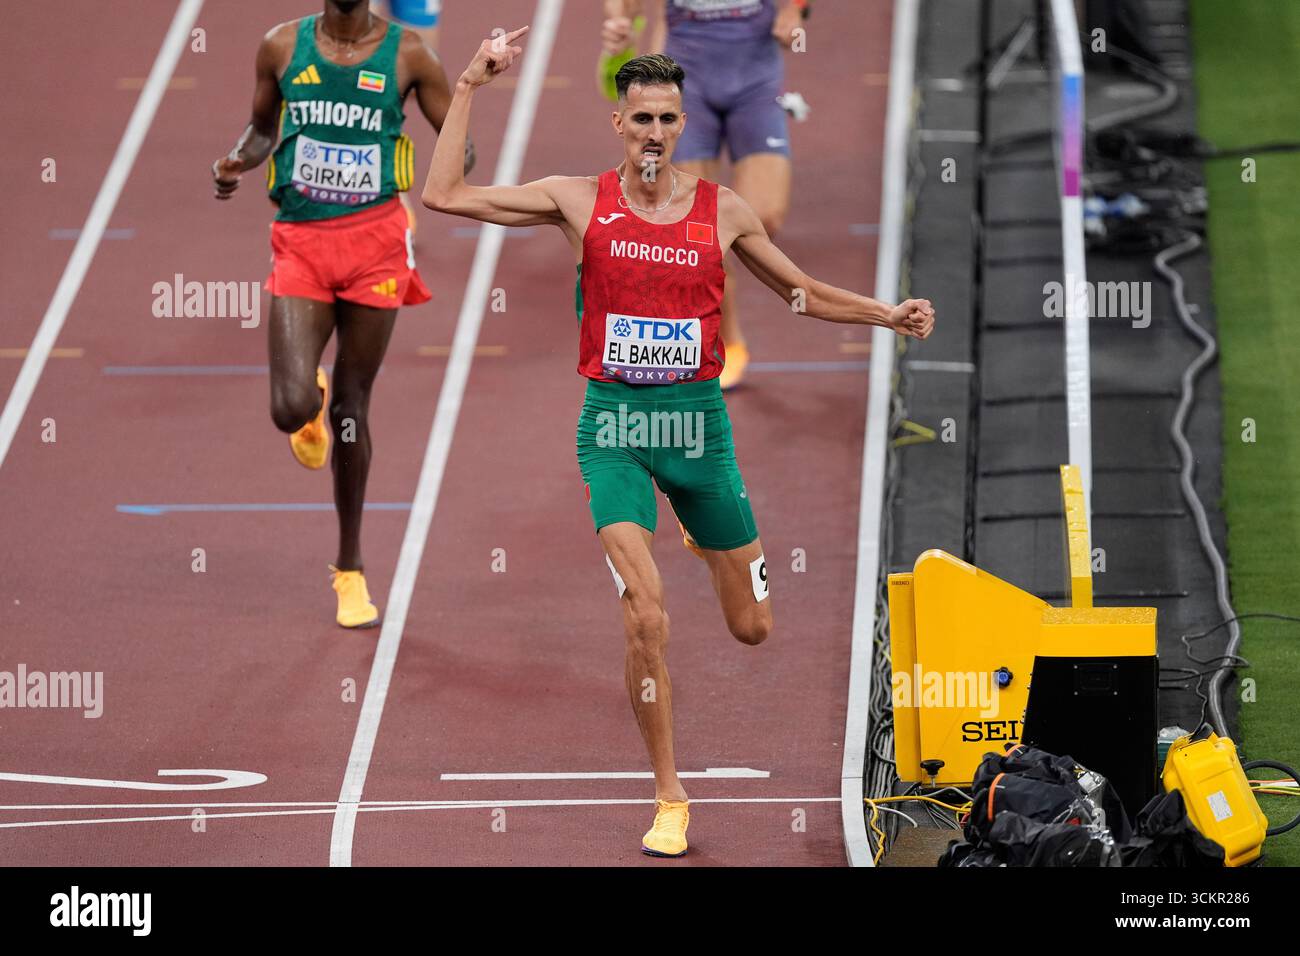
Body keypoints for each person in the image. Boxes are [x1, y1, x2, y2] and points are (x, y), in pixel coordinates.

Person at [422, 31, 933, 857]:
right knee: (645, 617)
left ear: (682, 124)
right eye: (641, 119)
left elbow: (799, 292)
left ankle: (703, 535)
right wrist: (472, 84)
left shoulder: (722, 210)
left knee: (753, 627)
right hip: (616, 430)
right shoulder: (576, 200)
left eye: (666, 119)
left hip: (698, 431)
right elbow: (444, 194)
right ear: (618, 124)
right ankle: (669, 793)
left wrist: (887, 315)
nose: (654, 132)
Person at [212, 0, 472, 629]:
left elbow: (459, 146)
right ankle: (309, 406)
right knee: (288, 407)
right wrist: (237, 159)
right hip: (301, 241)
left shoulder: (410, 55)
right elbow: (262, 129)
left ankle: (350, 568)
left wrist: (442, 164)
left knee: (352, 408)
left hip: (375, 244)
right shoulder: (281, 46)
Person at [599, 0, 812, 390]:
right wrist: (619, 23)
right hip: (687, 78)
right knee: (698, 227)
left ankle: (707, 285)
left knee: (764, 218)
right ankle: (726, 338)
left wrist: (795, 9)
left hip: (755, 77)